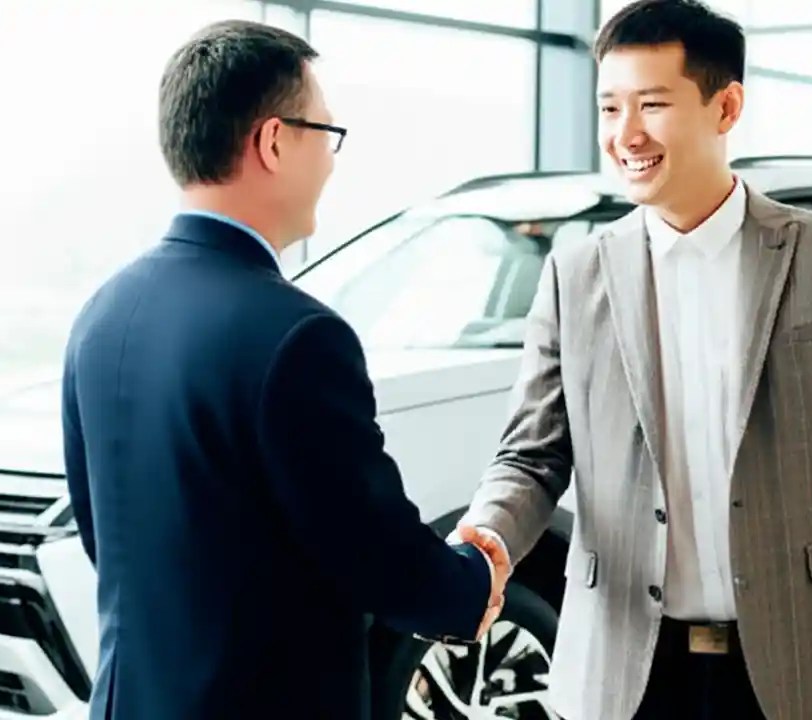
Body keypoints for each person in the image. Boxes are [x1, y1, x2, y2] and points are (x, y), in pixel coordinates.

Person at [454, 1, 812, 718]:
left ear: (726, 106)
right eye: (609, 108)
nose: (626, 135)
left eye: (651, 104)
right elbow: (532, 457)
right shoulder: (575, 271)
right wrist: (489, 532)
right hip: (623, 676)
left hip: (790, 669)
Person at [60, 19, 507, 720]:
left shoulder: (104, 312)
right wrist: (472, 584)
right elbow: (372, 551)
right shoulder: (298, 336)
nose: (331, 160)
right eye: (325, 135)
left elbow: (105, 535)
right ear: (273, 141)